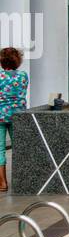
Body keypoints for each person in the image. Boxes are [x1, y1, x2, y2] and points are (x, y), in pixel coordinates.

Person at [0, 48, 29, 193]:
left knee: (0, 150)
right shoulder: (23, 76)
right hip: (18, 116)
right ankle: (22, 182)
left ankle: (3, 183)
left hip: (0, 116)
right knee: (19, 148)